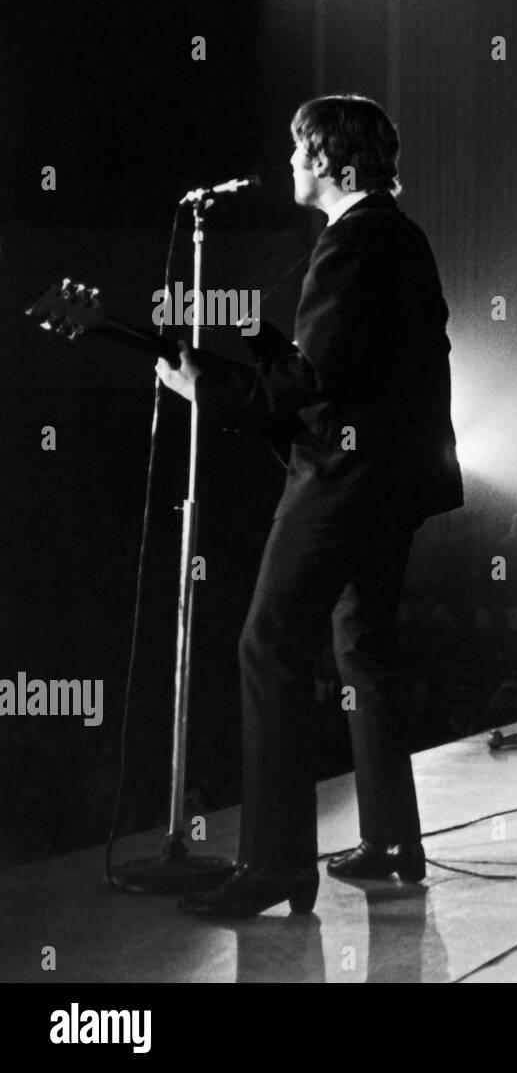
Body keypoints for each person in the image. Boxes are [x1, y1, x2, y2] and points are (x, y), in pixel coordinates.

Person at [157, 94, 463, 916]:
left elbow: (312, 382)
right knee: (363, 651)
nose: (291, 161)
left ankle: (277, 864)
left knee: (268, 647)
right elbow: (349, 363)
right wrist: (261, 345)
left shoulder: (355, 239)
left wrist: (207, 388)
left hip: (343, 481)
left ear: (336, 163)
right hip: (392, 481)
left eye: (300, 149)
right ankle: (394, 842)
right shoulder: (397, 236)